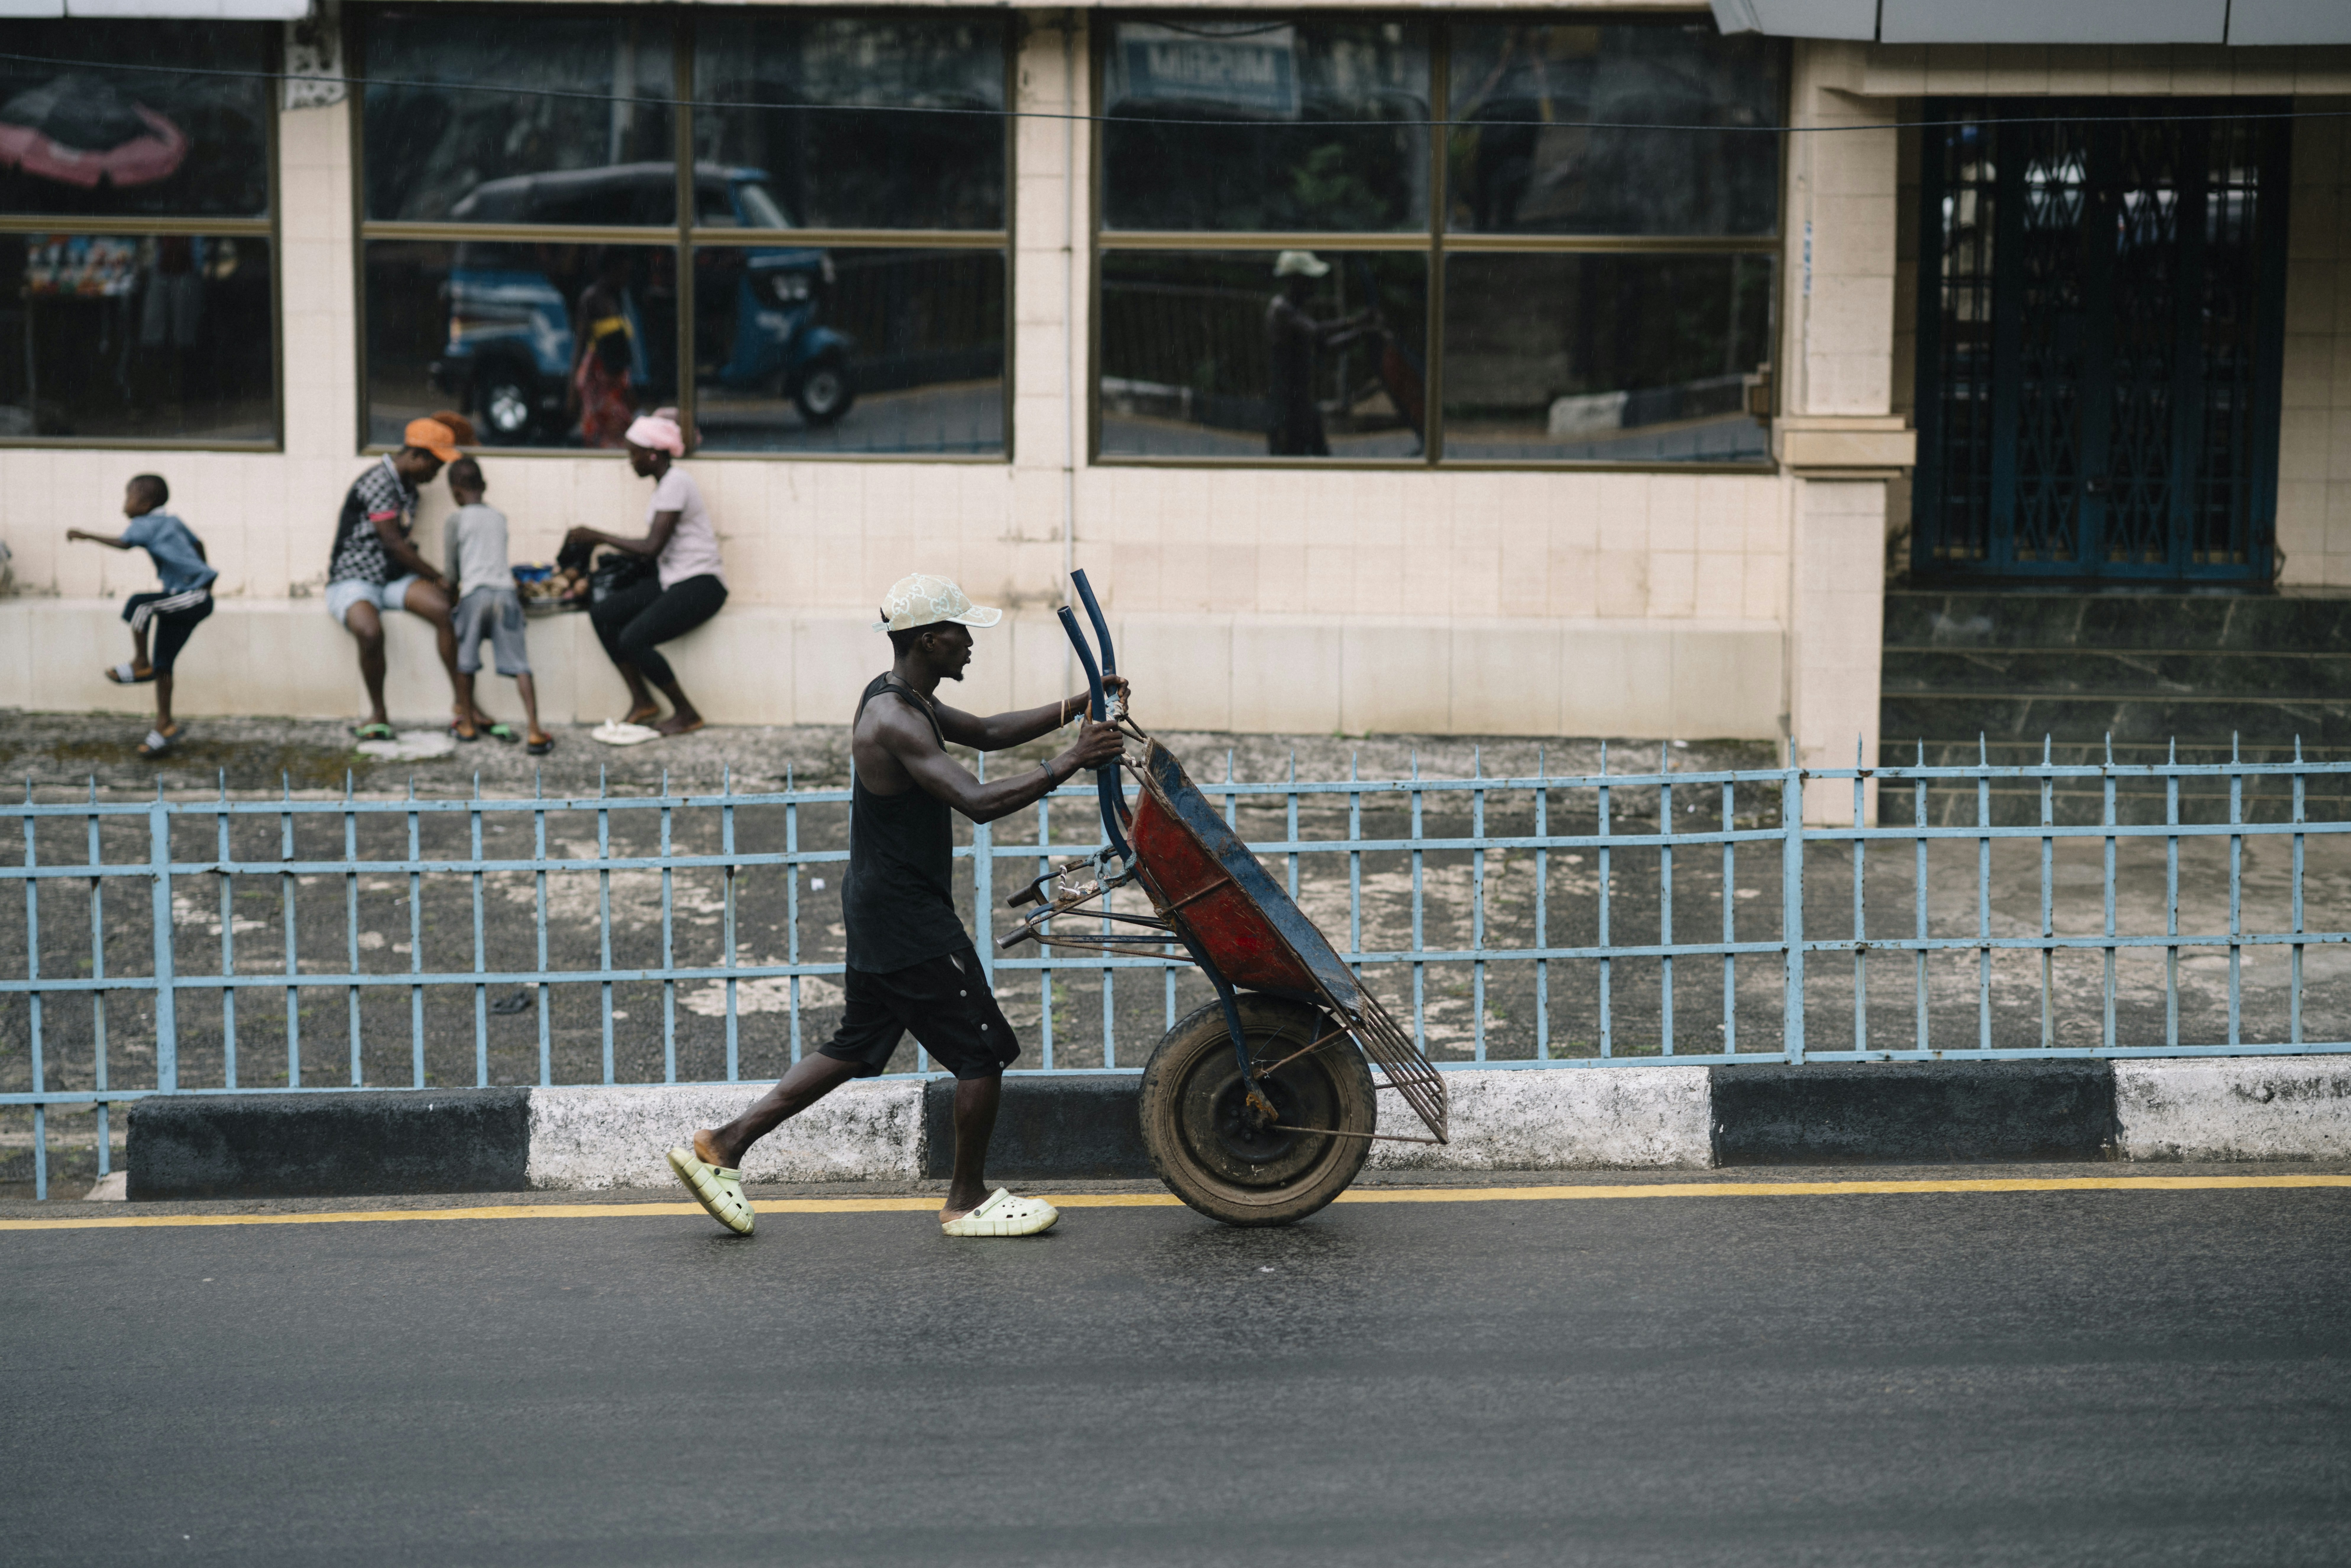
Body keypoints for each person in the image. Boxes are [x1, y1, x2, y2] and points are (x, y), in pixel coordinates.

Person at [668, 573, 1128, 1239]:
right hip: (907, 916)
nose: (971, 644)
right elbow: (975, 802)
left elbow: (990, 731)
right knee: (983, 1050)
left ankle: (723, 1145)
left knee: (857, 1045)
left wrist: (1078, 706)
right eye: (960, 634)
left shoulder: (902, 695)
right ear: (927, 639)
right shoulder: (895, 718)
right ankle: (966, 1200)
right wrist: (1071, 760)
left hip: (881, 903)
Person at [566, 411, 724, 737]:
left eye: (634, 454)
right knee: (603, 614)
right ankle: (643, 702)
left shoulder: (676, 483)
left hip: (702, 584)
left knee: (633, 638)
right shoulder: (666, 485)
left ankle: (686, 713)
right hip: (674, 580)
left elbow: (652, 547)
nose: (631, 461)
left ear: (653, 454)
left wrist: (597, 536)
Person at [325, 417, 467, 742]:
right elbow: (393, 542)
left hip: (390, 579)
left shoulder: (410, 489)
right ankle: (379, 714)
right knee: (370, 631)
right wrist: (437, 576)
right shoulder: (378, 482)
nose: (437, 474)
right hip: (354, 577)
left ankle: (464, 706)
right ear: (417, 456)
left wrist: (440, 586)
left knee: (444, 610)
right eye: (435, 464)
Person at [67, 472, 213, 758]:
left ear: (145, 504)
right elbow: (199, 545)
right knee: (165, 664)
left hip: (192, 597)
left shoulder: (145, 524)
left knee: (141, 605)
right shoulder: (172, 521)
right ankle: (165, 726)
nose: (125, 505)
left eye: (129, 498)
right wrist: (204, 575)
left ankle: (140, 663)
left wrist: (86, 536)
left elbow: (124, 544)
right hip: (189, 595)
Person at [442, 457, 552, 755]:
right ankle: (534, 731)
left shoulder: (456, 520)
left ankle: (466, 724)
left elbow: (452, 572)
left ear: (455, 491)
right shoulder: (499, 517)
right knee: (520, 665)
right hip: (505, 595)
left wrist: (449, 592)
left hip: (474, 595)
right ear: (485, 486)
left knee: (465, 662)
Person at [1264, 250, 1379, 458]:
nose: (1314, 286)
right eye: (1309, 281)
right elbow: (1317, 332)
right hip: (1286, 409)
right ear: (1296, 281)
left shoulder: (1295, 312)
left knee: (1322, 463)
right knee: (1288, 469)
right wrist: (1357, 324)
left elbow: (1326, 346)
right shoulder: (1281, 309)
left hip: (1303, 406)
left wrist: (1362, 332)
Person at [571, 249, 637, 448]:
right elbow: (580, 345)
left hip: (616, 380)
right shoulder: (591, 299)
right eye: (623, 273)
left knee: (620, 431)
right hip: (599, 380)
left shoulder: (617, 298)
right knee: (604, 434)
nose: (626, 278)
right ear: (611, 271)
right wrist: (571, 393)